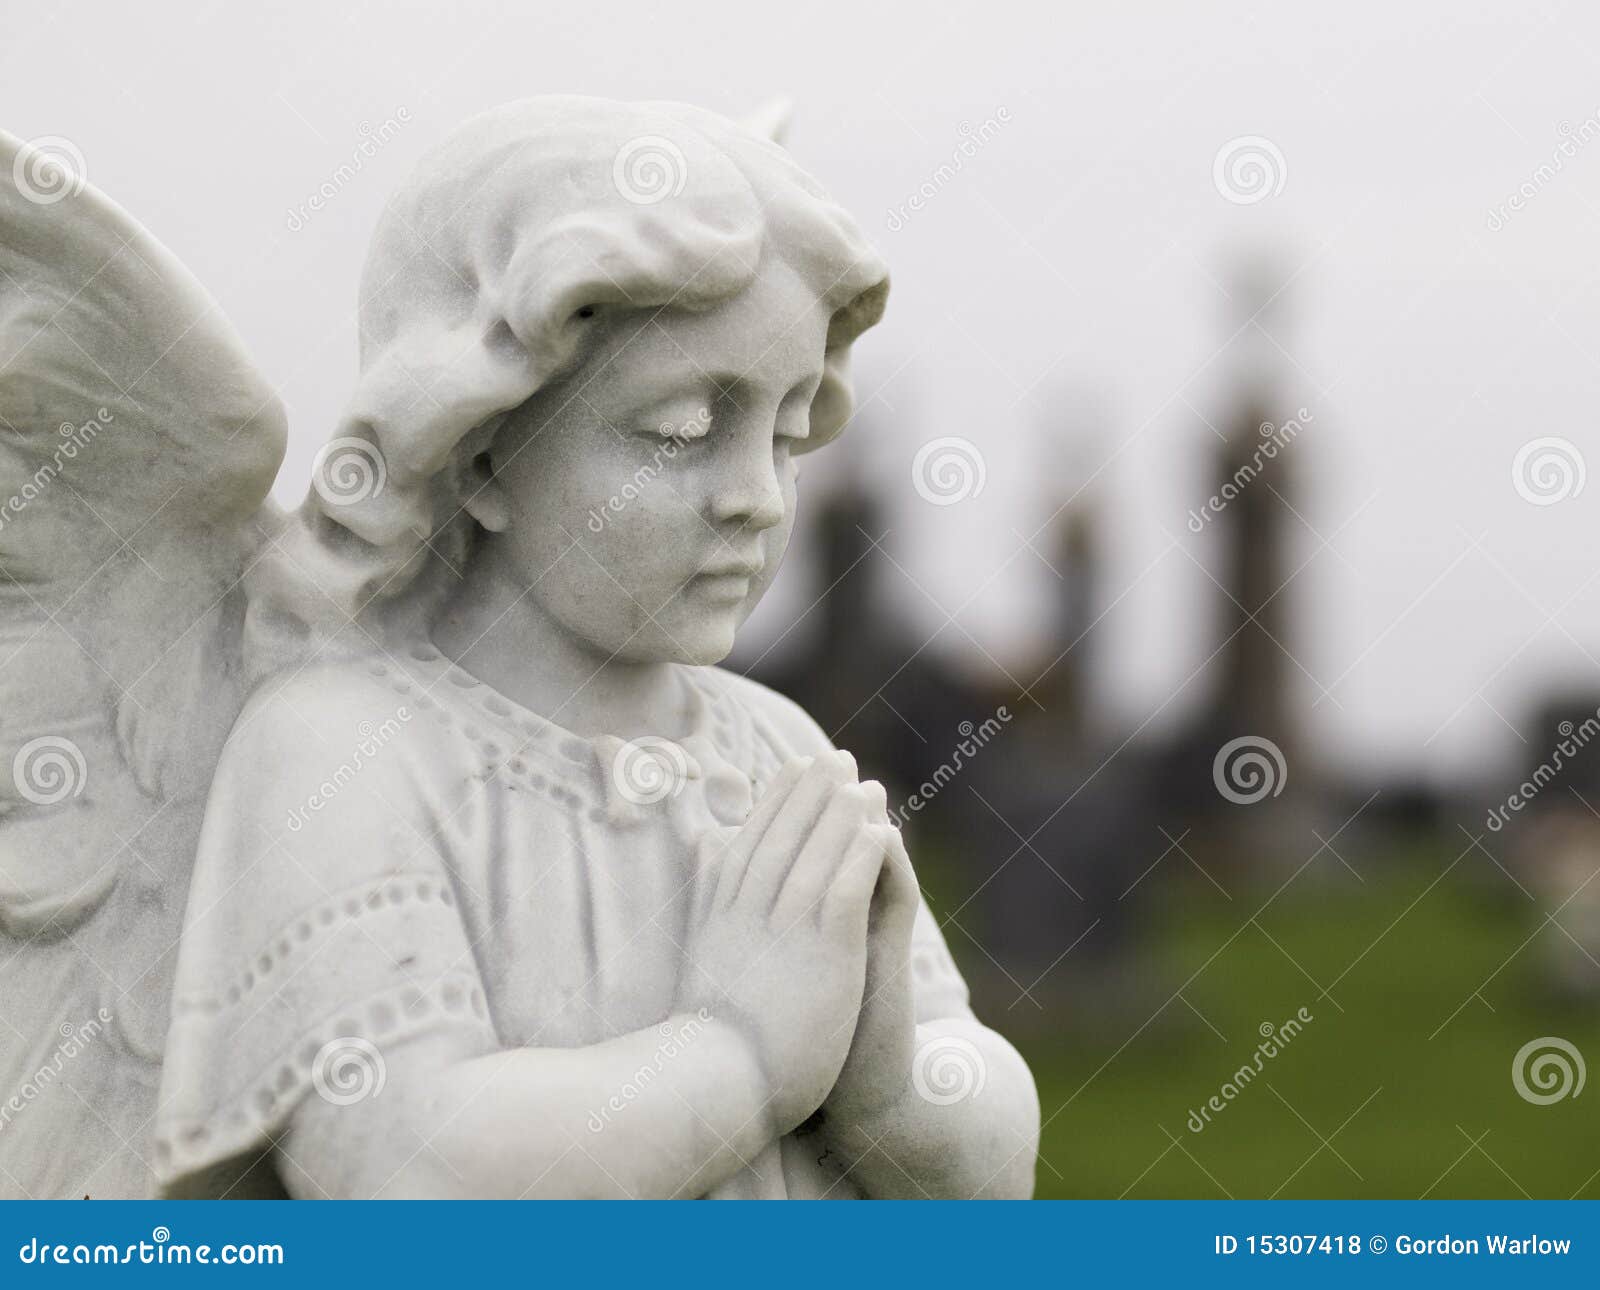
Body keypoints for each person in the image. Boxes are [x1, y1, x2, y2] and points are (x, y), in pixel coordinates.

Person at [153, 96, 1038, 1199]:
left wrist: (893, 1082)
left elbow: (983, 1151)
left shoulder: (778, 749)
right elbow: (398, 1168)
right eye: (680, 432)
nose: (757, 498)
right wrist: (741, 1053)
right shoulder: (345, 755)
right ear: (476, 454)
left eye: (786, 428)